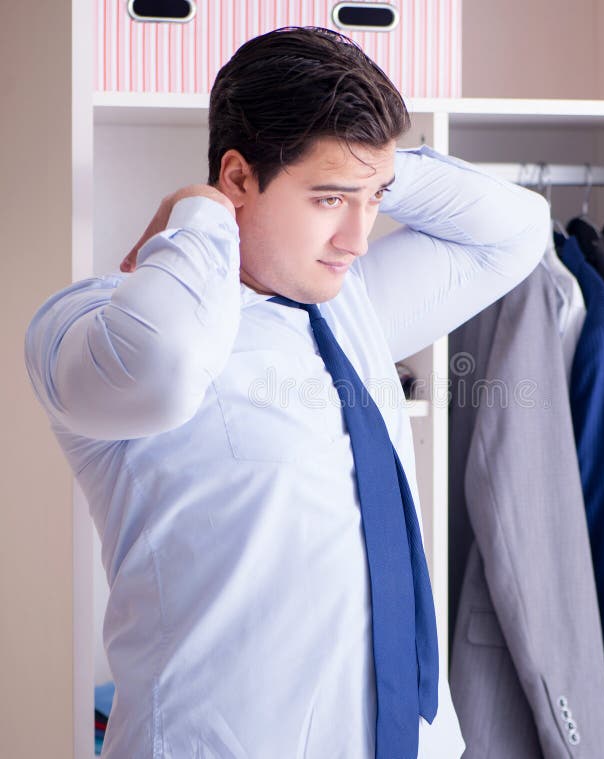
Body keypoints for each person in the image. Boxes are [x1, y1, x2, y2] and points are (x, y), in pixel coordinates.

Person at [25, 26, 548, 758]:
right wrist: (199, 213)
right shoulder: (90, 327)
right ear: (239, 178)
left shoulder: (350, 305)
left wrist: (374, 167)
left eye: (376, 200)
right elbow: (167, 368)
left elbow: (518, 231)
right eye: (330, 198)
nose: (358, 237)